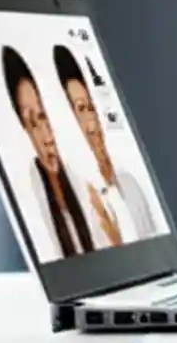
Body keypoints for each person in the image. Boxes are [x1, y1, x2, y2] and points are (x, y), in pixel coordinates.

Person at [53, 44, 158, 245]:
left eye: (92, 108)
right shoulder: (79, 206)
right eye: (81, 109)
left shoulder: (129, 183)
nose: (92, 124)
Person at [2, 46, 96, 260]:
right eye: (32, 123)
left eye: (43, 116)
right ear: (23, 130)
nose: (47, 137)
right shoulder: (33, 199)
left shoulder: (83, 187)